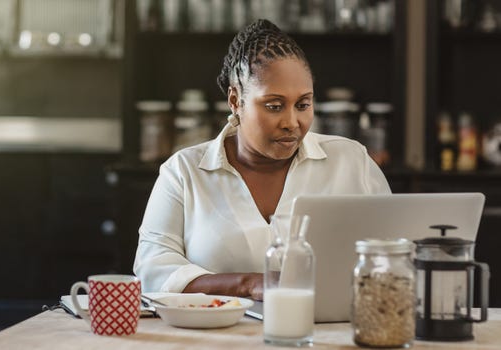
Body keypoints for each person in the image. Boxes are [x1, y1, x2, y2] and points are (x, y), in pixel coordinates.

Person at [133, 19, 391, 300]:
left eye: (303, 104)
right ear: (235, 101)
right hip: (216, 340)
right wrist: (248, 284)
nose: (292, 122)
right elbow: (151, 270)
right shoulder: (183, 172)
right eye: (274, 106)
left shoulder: (352, 162)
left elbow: (393, 259)